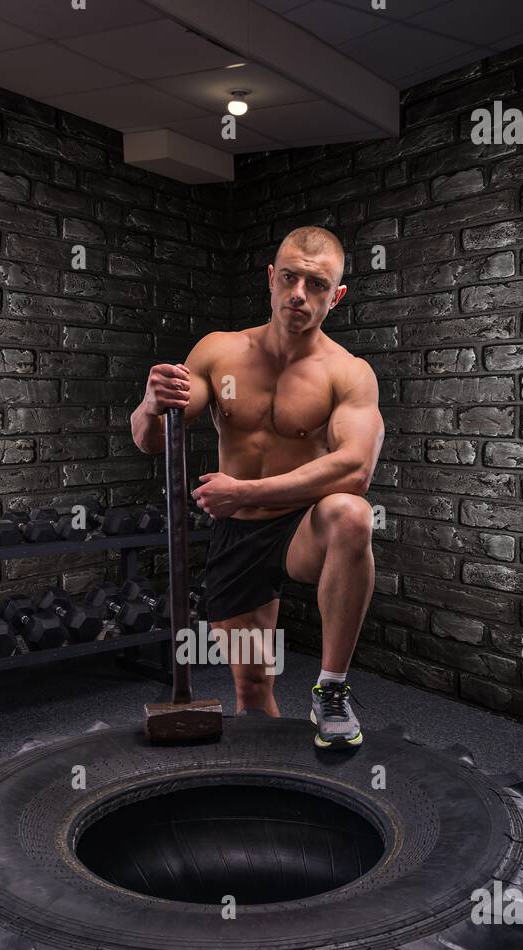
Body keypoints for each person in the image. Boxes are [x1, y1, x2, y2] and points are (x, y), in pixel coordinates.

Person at [130, 225, 384, 748]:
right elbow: (151, 441)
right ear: (271, 278)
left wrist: (245, 492)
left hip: (300, 530)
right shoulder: (221, 352)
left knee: (352, 514)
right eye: (289, 278)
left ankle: (331, 690)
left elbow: (355, 469)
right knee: (250, 689)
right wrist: (153, 404)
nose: (298, 294)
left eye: (316, 285)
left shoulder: (348, 373)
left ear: (336, 296)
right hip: (238, 536)